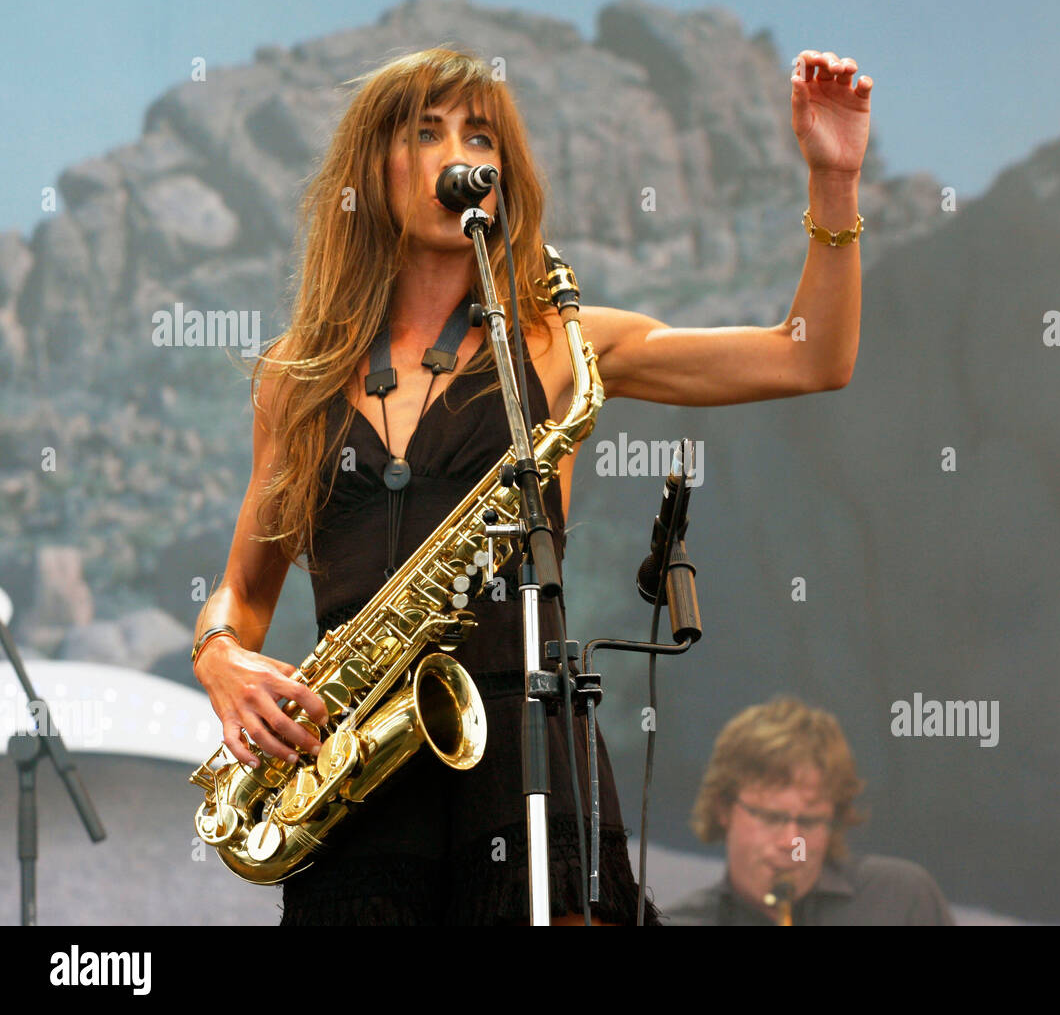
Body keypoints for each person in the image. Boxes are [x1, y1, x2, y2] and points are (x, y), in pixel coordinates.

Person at [190, 46, 872, 926]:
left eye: (480, 135)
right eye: (427, 132)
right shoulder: (296, 376)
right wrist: (220, 656)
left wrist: (834, 178)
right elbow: (245, 590)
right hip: (353, 774)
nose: (460, 154)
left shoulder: (560, 343)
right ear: (373, 167)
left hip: (526, 759)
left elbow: (811, 355)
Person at [665, 697, 955, 925]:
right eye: (771, 817)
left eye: (811, 821)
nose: (793, 842)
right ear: (723, 809)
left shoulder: (900, 898)